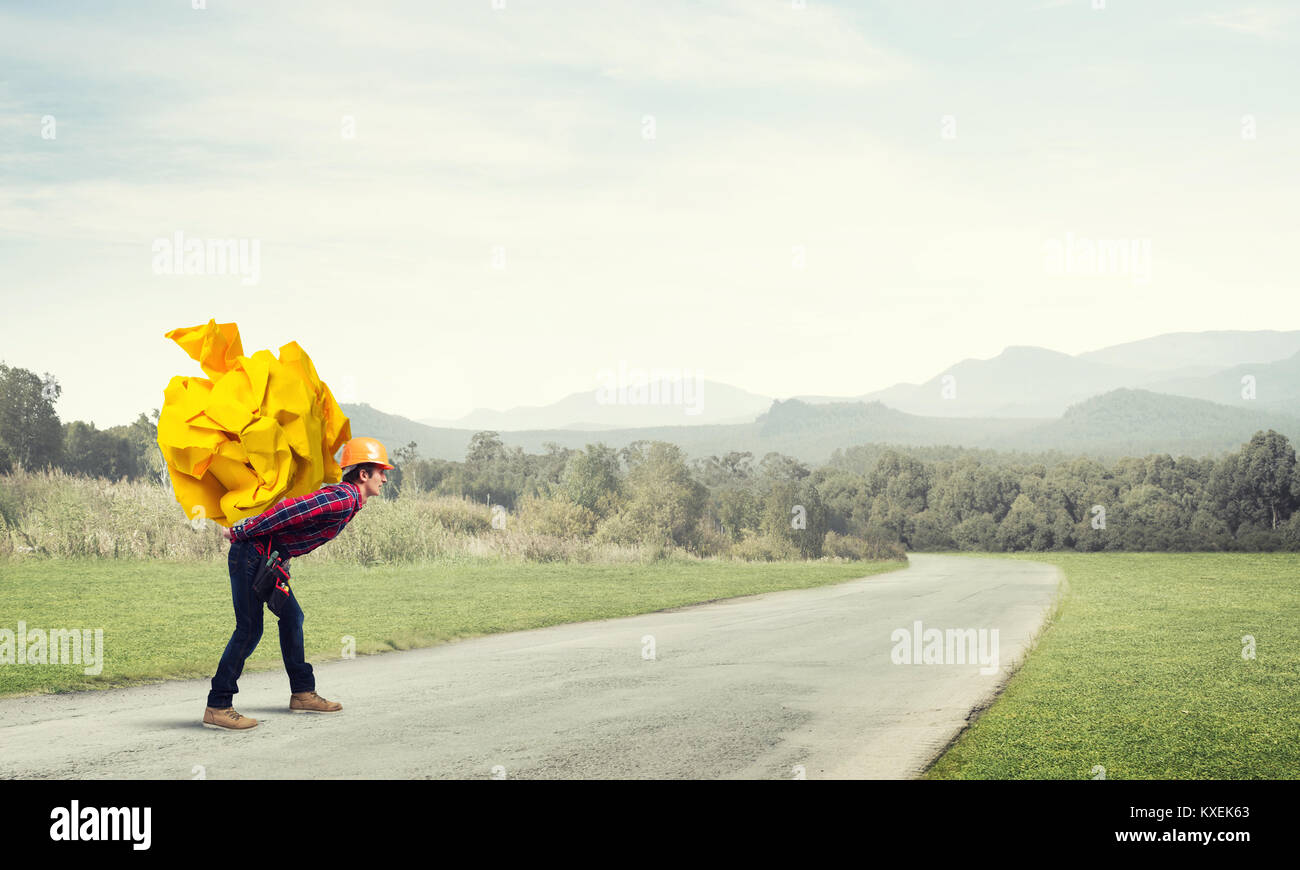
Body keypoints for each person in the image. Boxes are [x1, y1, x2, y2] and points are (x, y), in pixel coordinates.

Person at [201, 436, 395, 731]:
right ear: (363, 474)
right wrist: (241, 531)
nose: (384, 477)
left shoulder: (351, 501)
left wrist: (282, 562)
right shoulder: (343, 498)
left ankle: (302, 693)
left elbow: (295, 529)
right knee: (250, 629)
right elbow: (290, 510)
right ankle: (218, 705)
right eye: (380, 471)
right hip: (251, 554)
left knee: (293, 616)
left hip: (267, 558)